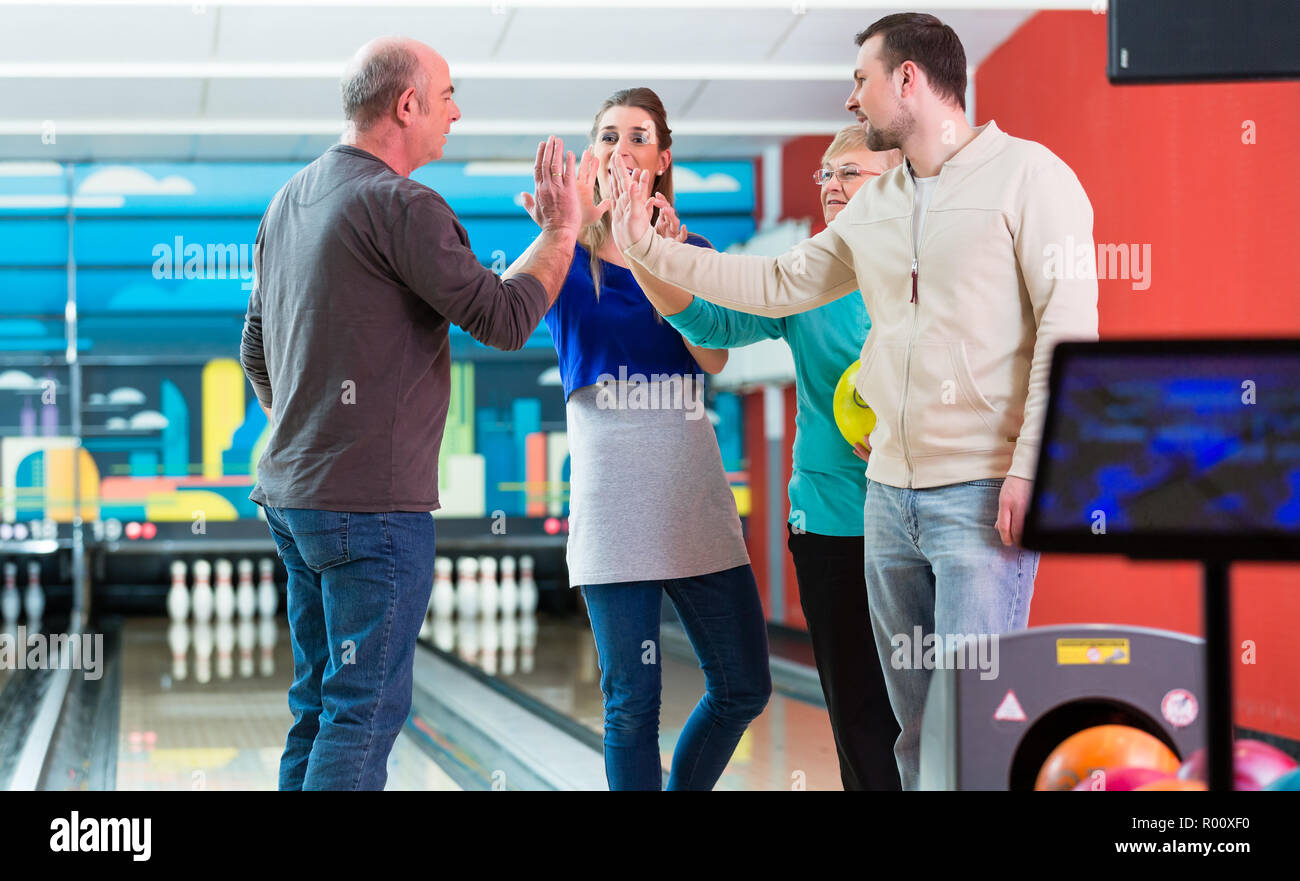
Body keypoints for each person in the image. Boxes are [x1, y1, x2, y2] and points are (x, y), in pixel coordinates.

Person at [607, 13, 1100, 790]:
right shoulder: (879, 204)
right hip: (887, 500)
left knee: (971, 731)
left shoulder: (1032, 177)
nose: (850, 99)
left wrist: (1036, 467)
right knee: (910, 739)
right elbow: (775, 284)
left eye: (861, 79)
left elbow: (1070, 336)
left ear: (909, 79)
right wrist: (644, 246)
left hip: (978, 492)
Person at [239, 36, 582, 790]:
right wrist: (561, 233)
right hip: (372, 510)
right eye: (449, 95)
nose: (456, 112)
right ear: (407, 105)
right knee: (362, 710)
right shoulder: (402, 205)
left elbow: (255, 355)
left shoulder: (289, 200)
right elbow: (503, 319)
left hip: (292, 499)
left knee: (318, 703)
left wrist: (309, 430)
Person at [505, 87, 771, 791]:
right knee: (631, 706)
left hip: (693, 497)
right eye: (609, 135)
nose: (623, 146)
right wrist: (556, 231)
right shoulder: (565, 254)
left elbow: (715, 358)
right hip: (612, 500)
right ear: (593, 154)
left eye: (639, 135)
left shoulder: (694, 250)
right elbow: (499, 311)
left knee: (744, 682)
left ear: (662, 158)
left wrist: (658, 256)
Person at [631, 124, 904, 790]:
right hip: (833, 525)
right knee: (862, 721)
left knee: (927, 712)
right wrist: (648, 257)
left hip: (923, 516)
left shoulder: (938, 268)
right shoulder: (808, 272)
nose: (833, 186)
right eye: (826, 175)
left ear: (900, 178)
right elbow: (715, 324)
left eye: (850, 173)